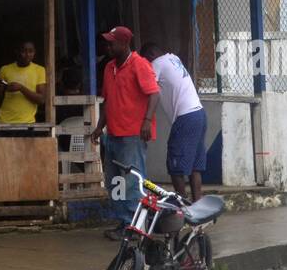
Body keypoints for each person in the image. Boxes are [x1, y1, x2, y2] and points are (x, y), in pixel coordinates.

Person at [89, 26, 159, 240]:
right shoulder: (109, 67)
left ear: (124, 44)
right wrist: (100, 126)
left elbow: (154, 94)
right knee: (115, 182)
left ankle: (135, 225)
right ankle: (124, 221)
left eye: (112, 43)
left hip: (132, 134)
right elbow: (109, 101)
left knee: (132, 181)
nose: (108, 46)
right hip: (113, 133)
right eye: (107, 42)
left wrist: (147, 121)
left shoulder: (139, 64)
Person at [140, 43, 207, 201]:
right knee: (194, 167)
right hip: (199, 114)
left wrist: (146, 119)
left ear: (149, 56)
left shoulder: (157, 64)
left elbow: (149, 89)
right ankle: (197, 205)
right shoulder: (173, 58)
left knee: (175, 164)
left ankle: (180, 204)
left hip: (185, 118)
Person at [0, 40, 48, 124]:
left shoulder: (39, 70)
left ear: (34, 52)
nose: (27, 55)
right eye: (23, 51)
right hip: (4, 121)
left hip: (27, 122)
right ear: (17, 52)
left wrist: (21, 88)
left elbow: (41, 100)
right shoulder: (5, 69)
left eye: (30, 51)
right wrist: (2, 88)